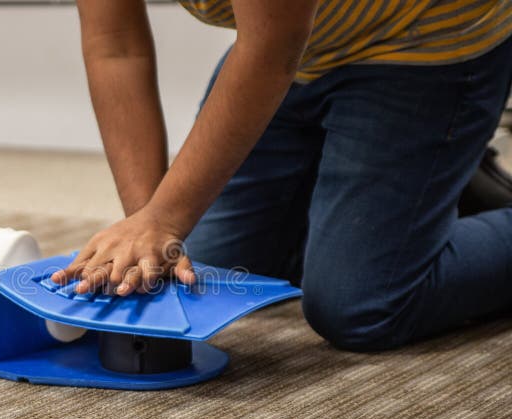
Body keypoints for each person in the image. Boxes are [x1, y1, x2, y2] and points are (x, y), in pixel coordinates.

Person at [51, 0, 512, 351]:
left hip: (420, 40)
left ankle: (436, 162)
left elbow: (272, 45)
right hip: (300, 48)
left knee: (361, 305)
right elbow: (116, 46)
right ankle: (432, 178)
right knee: (213, 272)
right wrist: (151, 228)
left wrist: (165, 220)